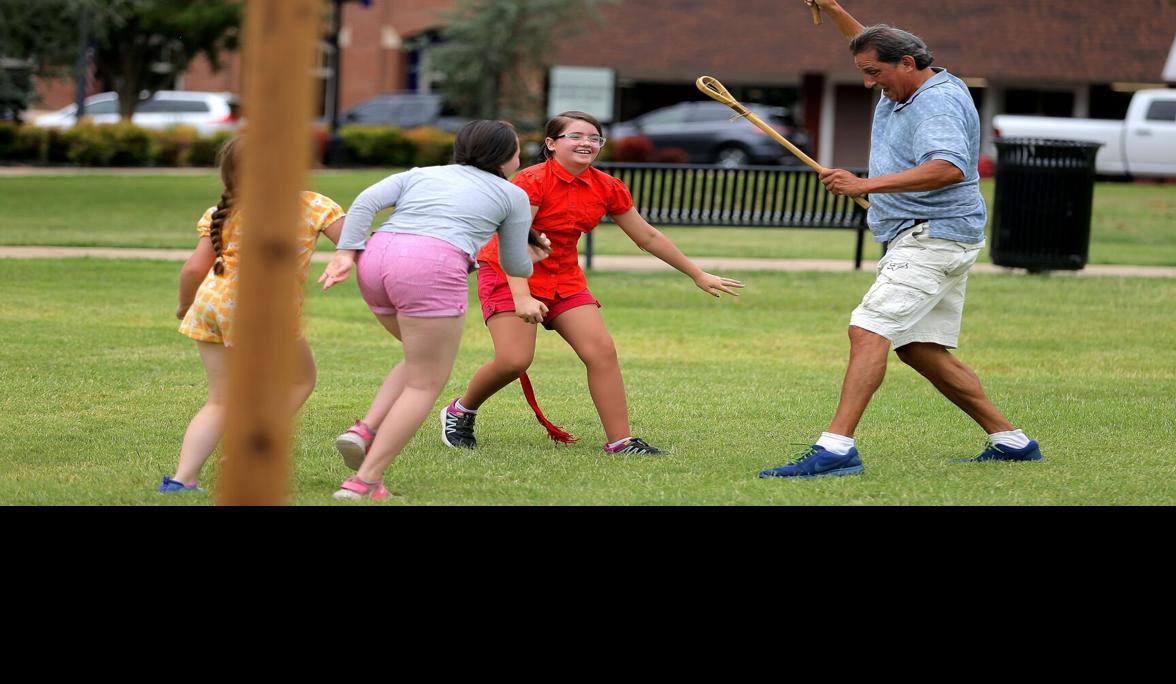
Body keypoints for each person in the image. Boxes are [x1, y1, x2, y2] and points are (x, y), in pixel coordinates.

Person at [760, 1, 1041, 478]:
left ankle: (835, 449)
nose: (869, 83)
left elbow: (949, 168)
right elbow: (870, 40)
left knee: (868, 329)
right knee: (918, 348)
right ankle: (1012, 442)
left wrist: (863, 185)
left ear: (907, 63)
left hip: (933, 238)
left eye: (874, 73)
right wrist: (831, 9)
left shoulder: (937, 104)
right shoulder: (907, 81)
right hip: (932, 236)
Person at [439, 110, 744, 456]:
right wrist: (522, 297)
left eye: (594, 138)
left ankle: (621, 442)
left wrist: (697, 273)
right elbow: (514, 242)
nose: (586, 143)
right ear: (551, 144)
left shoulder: (607, 187)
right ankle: (460, 410)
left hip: (564, 279)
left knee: (601, 351)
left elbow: (646, 235)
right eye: (576, 136)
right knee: (514, 360)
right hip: (509, 273)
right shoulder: (531, 181)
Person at [319, 120, 538, 500]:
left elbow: (366, 202)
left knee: (419, 359)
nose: (520, 157)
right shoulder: (511, 194)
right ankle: (364, 481)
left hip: (377, 258)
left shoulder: (421, 174)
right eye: (518, 149)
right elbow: (515, 263)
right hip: (429, 267)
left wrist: (345, 251)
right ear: (505, 155)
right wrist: (536, 253)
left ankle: (365, 429)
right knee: (426, 380)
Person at [159, 136, 345, 494]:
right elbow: (357, 242)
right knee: (298, 381)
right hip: (265, 309)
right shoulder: (314, 206)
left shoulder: (222, 212)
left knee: (220, 399)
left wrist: (185, 305)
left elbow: (192, 270)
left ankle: (181, 481)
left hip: (212, 305)